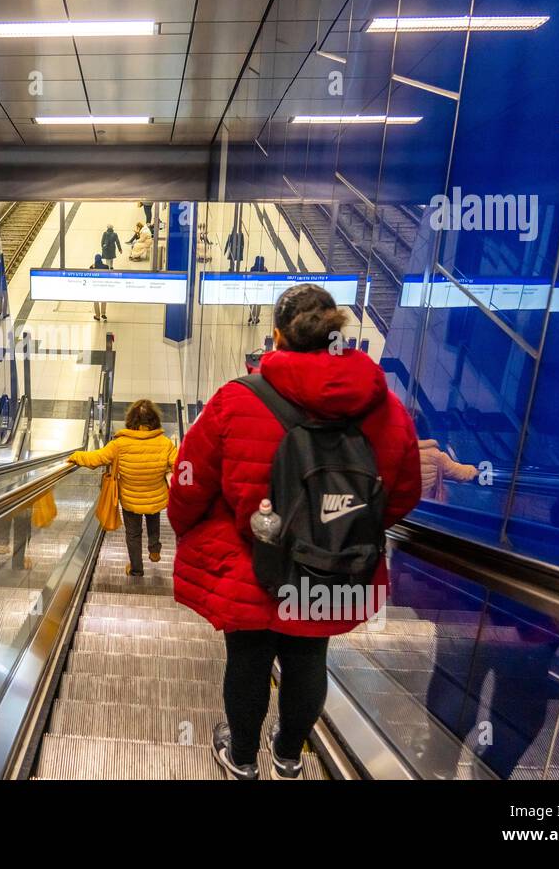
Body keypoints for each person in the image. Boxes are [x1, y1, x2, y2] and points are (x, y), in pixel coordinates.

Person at [168, 283, 421, 780]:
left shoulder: (235, 400)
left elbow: (190, 480)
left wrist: (184, 526)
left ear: (277, 337)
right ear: (338, 334)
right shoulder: (386, 408)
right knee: (309, 656)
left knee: (247, 659)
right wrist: (339, 532)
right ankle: (288, 755)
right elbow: (404, 491)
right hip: (332, 569)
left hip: (252, 562)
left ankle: (242, 759)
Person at [69, 399, 177, 576]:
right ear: (154, 420)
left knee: (133, 534)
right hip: (155, 497)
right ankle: (154, 549)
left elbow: (96, 458)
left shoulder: (119, 444)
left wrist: (75, 456)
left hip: (130, 500)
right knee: (153, 521)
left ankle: (136, 569)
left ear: (131, 420)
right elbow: (180, 464)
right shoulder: (165, 443)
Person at [414, 412, 478, 501]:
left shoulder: (395, 454)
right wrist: (476, 470)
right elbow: (460, 473)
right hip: (423, 508)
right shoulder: (437, 457)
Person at [90, 252, 109, 321]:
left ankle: (97, 316)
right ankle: (103, 313)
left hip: (95, 287)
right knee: (104, 300)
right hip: (103, 286)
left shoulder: (92, 267)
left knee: (96, 301)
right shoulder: (106, 267)